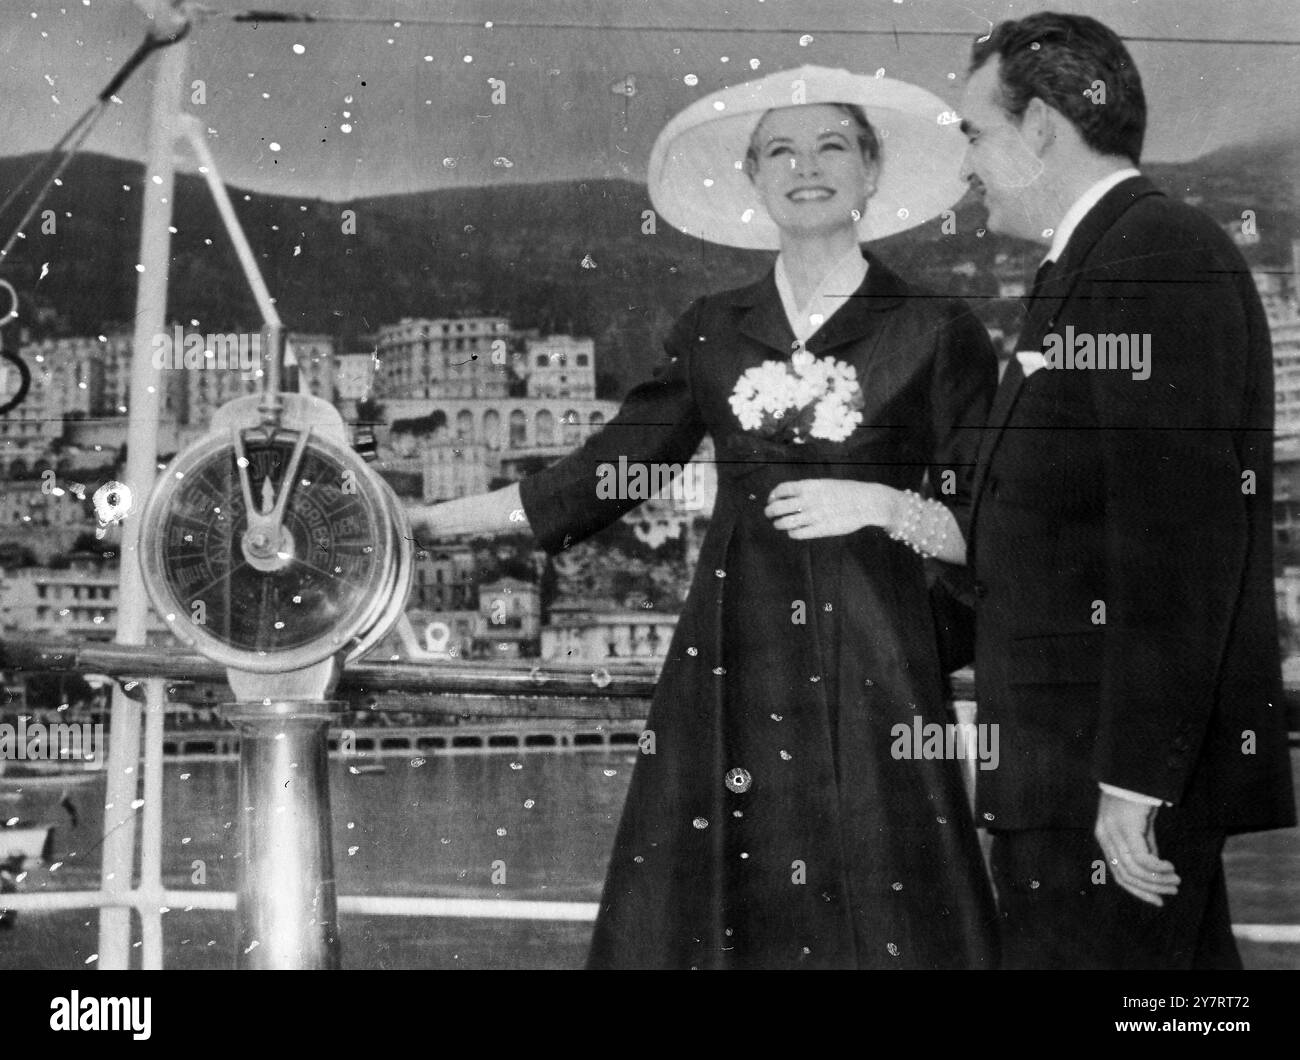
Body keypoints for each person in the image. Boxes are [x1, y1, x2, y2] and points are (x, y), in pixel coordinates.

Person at [415, 65, 1000, 969]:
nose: (807, 167)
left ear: (872, 169)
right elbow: (603, 473)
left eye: (833, 145)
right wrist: (425, 524)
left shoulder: (934, 327)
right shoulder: (714, 327)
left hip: (880, 658)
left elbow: (985, 520)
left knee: (887, 883)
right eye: (780, 151)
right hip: (736, 647)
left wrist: (882, 503)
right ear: (753, 179)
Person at [958, 12, 1296, 969]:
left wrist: (1135, 783)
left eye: (975, 136)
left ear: (1044, 132)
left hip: (1103, 799)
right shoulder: (1092, 266)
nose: (967, 169)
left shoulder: (1151, 259)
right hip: (1074, 782)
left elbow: (1180, 540)